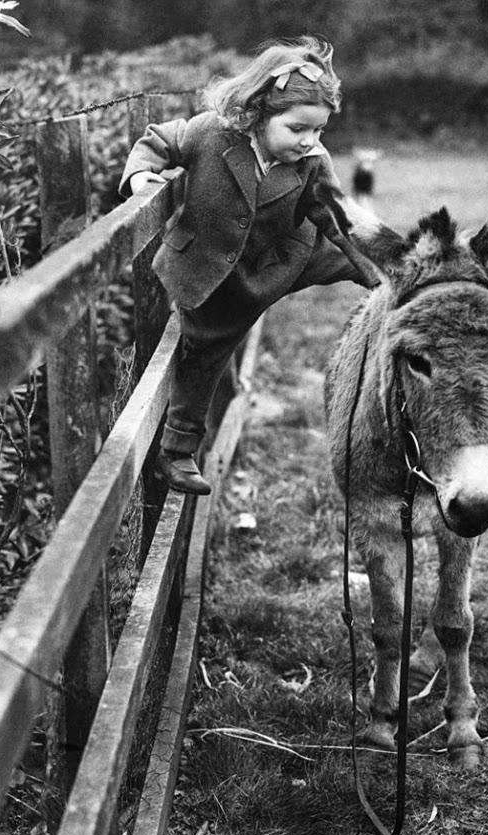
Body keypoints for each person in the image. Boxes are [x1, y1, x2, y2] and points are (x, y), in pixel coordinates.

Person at [119, 36, 370, 495]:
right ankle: (177, 450)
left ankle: (404, 276)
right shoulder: (209, 133)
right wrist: (140, 174)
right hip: (218, 271)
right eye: (298, 129)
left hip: (294, 251)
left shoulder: (312, 162)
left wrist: (373, 262)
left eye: (319, 131)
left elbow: (337, 219)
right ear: (257, 111)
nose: (310, 141)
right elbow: (157, 140)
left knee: (367, 262)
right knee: (206, 346)